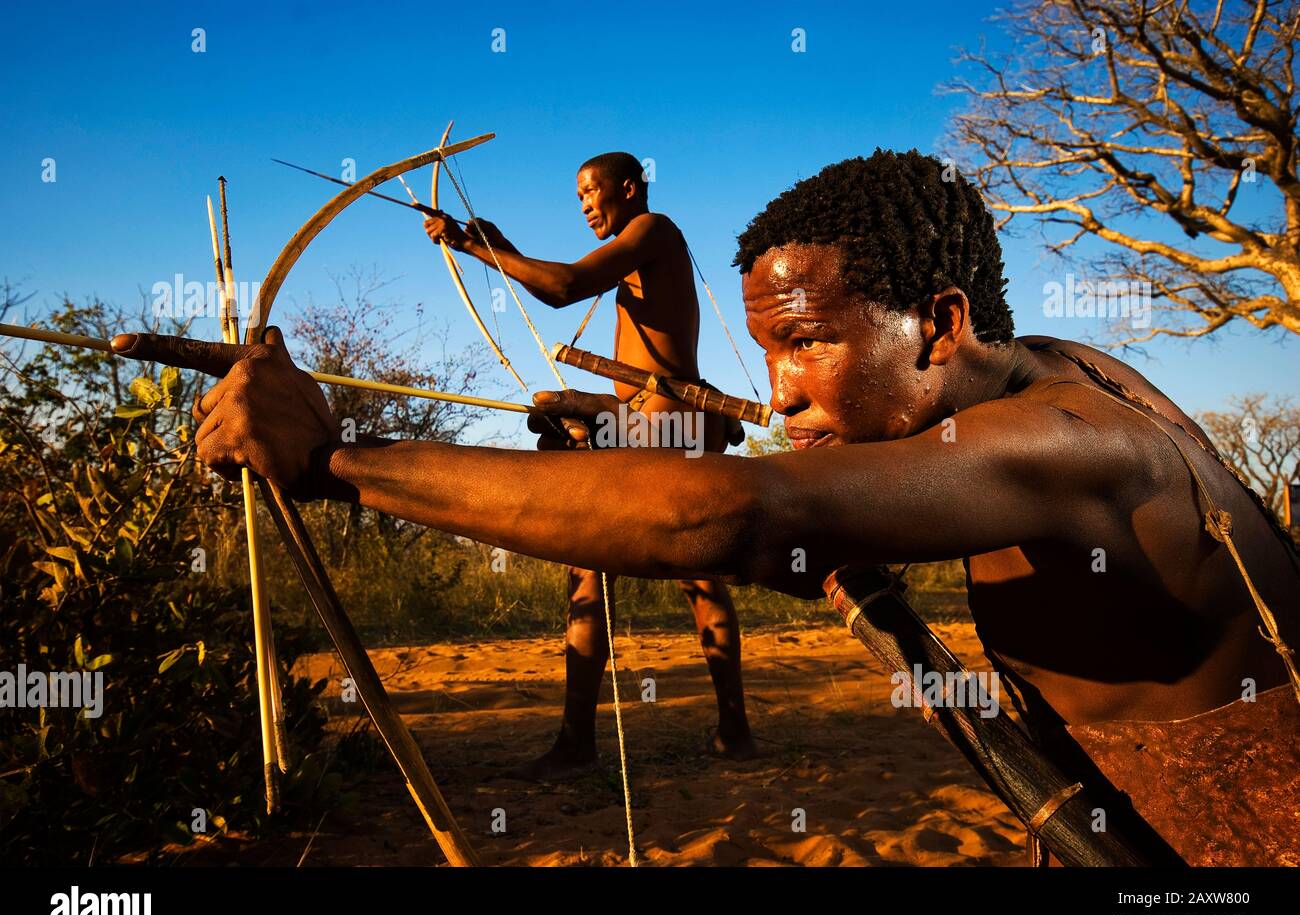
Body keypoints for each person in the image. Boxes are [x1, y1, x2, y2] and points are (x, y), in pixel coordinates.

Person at [116, 149, 1299, 864]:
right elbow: (770, 505)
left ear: (939, 322)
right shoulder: (1044, 365)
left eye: (805, 346)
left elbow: (728, 515)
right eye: (764, 355)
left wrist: (337, 461)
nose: (777, 392)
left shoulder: (1058, 441)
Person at [421, 151, 755, 777]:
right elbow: (569, 296)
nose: (583, 207)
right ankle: (704, 734)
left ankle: (610, 741)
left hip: (670, 427)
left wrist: (479, 251)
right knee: (624, 567)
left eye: (589, 193)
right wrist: (496, 244)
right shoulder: (637, 249)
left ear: (629, 188)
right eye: (577, 198)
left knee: (667, 573)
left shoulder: (653, 231)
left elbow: (564, 287)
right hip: (650, 422)